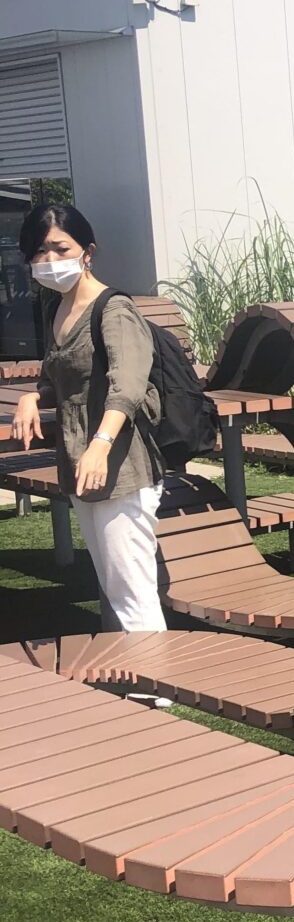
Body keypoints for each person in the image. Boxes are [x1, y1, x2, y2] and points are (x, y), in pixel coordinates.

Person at [11, 203, 168, 632]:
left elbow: (128, 386)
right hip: (81, 465)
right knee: (112, 585)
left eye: (60, 248)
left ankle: (152, 692)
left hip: (121, 465)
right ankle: (135, 681)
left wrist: (100, 447)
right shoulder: (57, 310)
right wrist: (34, 397)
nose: (49, 260)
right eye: (38, 252)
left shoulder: (113, 310)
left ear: (88, 252)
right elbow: (65, 376)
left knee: (132, 589)